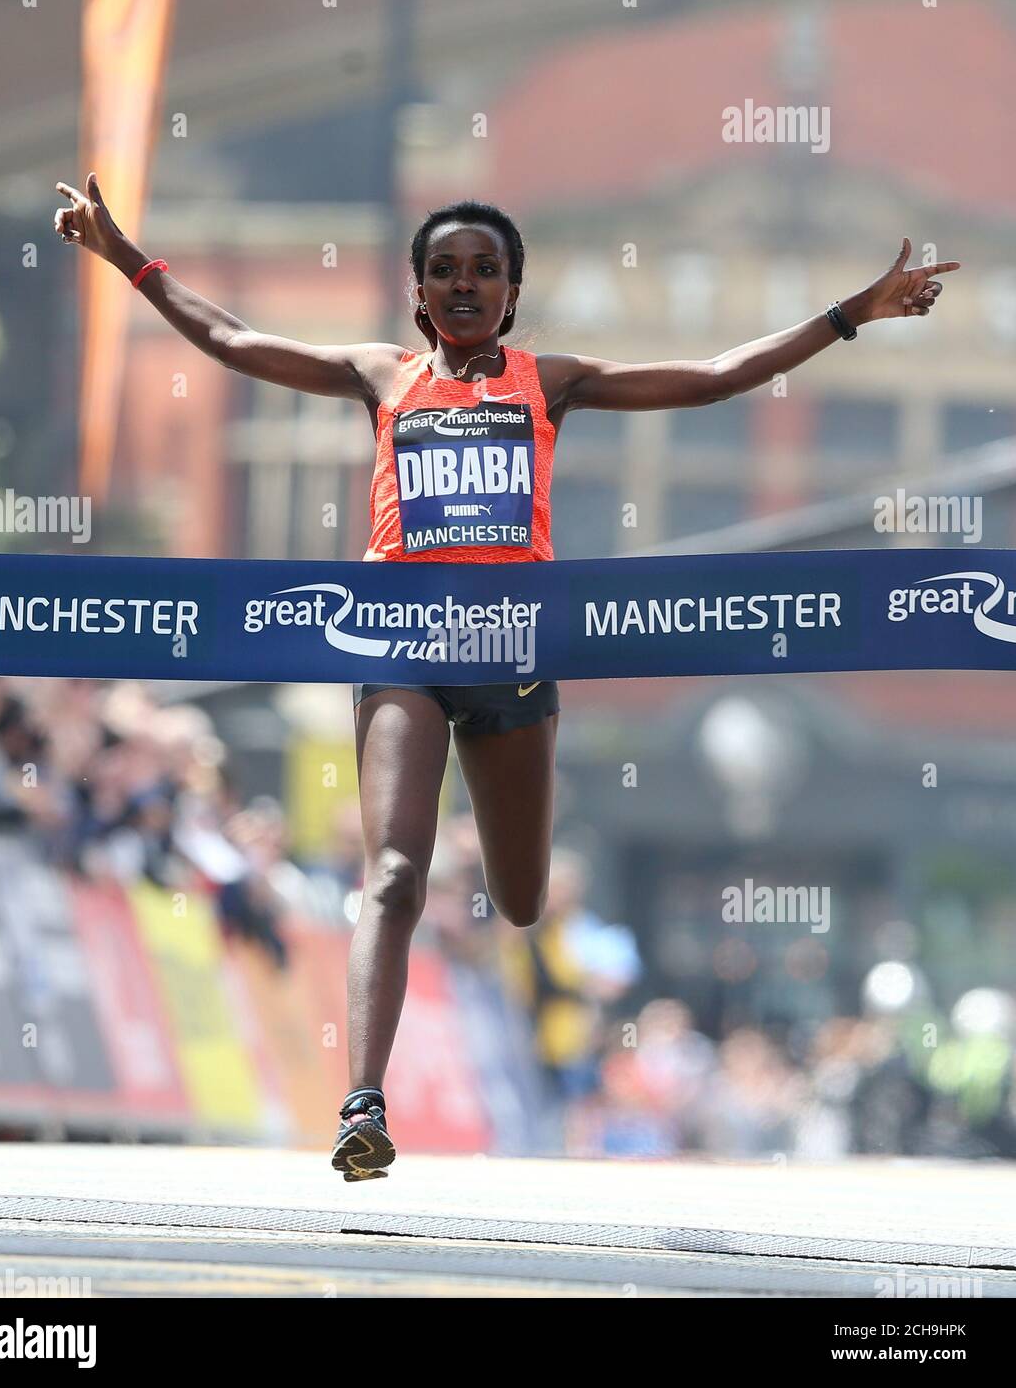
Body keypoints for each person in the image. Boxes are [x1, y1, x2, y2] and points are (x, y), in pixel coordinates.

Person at [53, 173, 958, 1179]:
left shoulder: (550, 380)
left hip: (514, 661)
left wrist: (850, 315)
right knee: (392, 871)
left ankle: (498, 906)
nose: (465, 283)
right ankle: (363, 1105)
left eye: (485, 269)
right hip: (400, 646)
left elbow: (710, 377)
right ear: (419, 293)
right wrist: (124, 254)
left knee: (520, 898)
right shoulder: (382, 376)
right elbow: (229, 341)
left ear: (512, 293)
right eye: (445, 270)